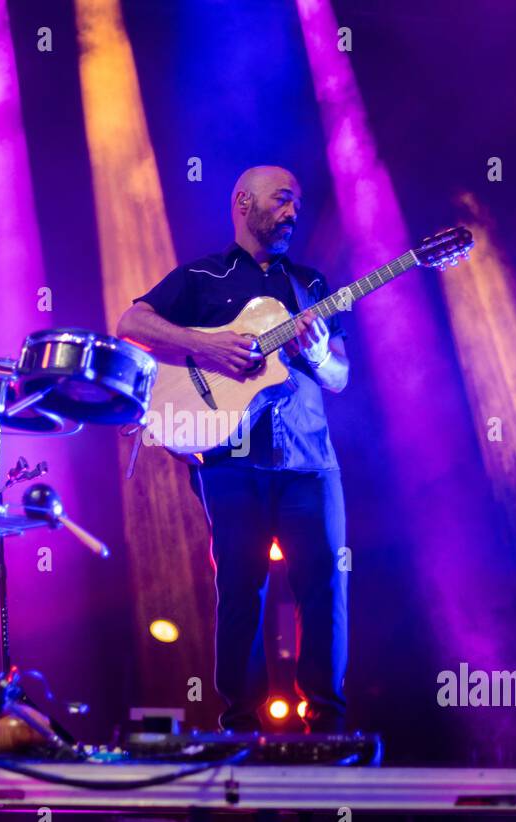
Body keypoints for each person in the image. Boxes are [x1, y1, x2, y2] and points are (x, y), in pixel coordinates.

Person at [118, 165, 350, 734]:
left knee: (324, 586)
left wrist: (319, 355)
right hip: (232, 458)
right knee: (239, 590)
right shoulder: (201, 275)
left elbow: (340, 376)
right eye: (282, 201)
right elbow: (131, 321)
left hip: (309, 460)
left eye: (297, 202)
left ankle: (327, 729)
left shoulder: (312, 284)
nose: (294, 212)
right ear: (244, 203)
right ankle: (240, 729)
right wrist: (207, 344)